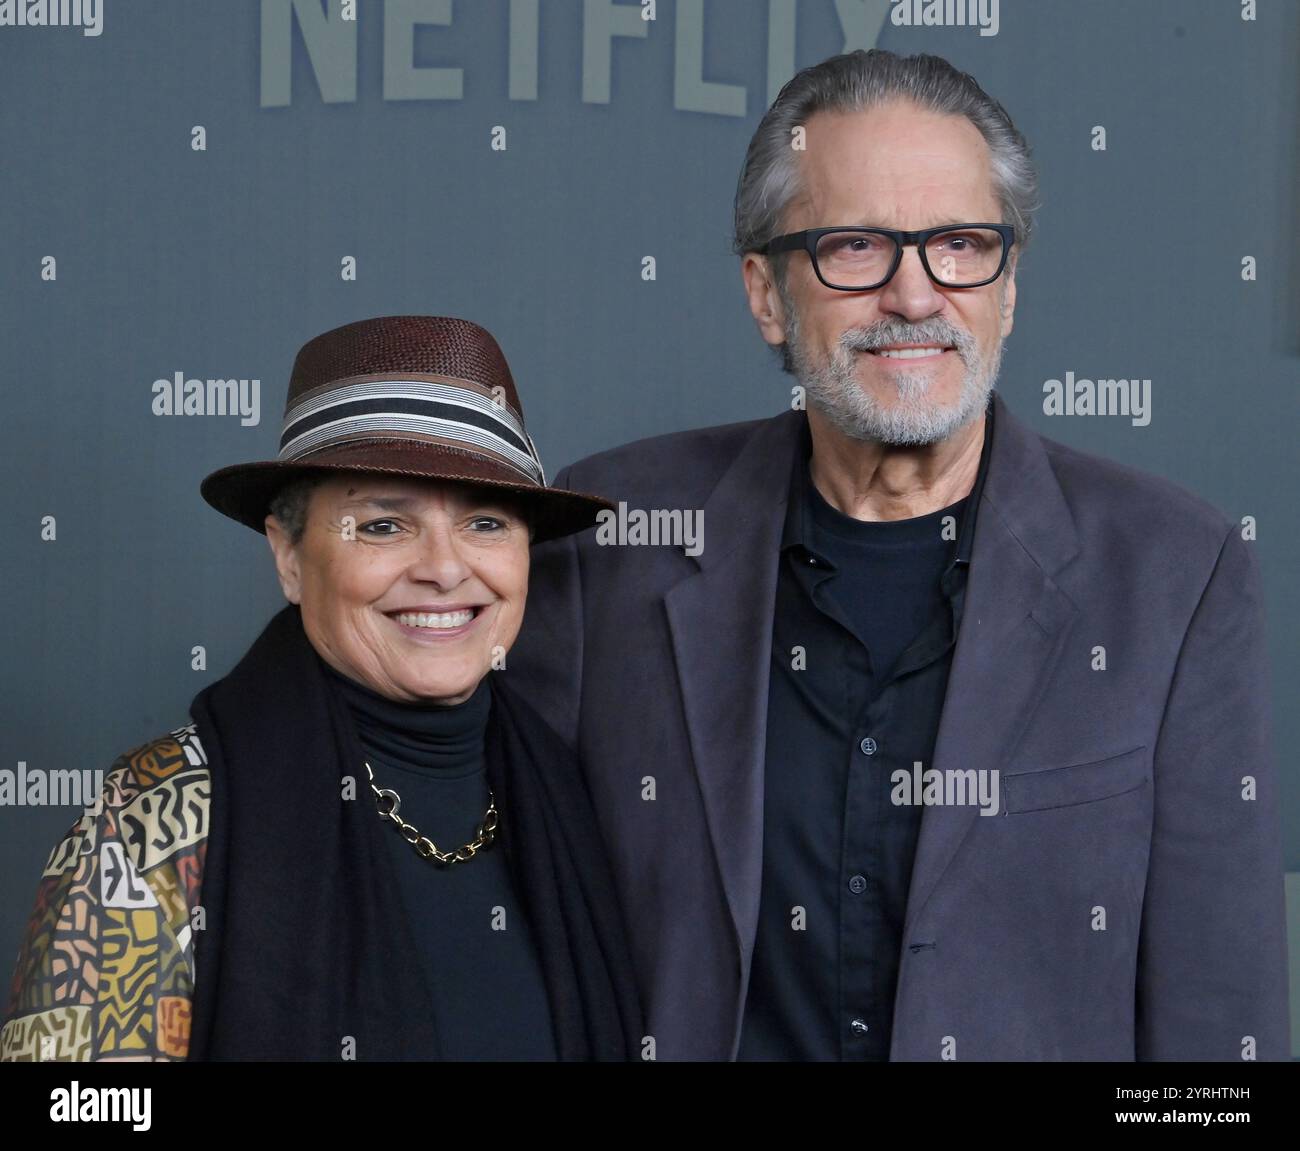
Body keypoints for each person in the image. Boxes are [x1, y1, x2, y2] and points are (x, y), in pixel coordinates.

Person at [505, 49, 1291, 1060]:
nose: (914, 296)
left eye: (961, 245)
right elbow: (499, 929)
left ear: (1006, 286)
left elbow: (1216, 1023)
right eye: (855, 246)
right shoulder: (606, 537)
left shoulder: (1176, 573)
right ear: (765, 292)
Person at [1, 314, 642, 1062]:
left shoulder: (568, 790)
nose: (444, 567)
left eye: (487, 522)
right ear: (289, 555)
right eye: (382, 526)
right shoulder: (155, 823)